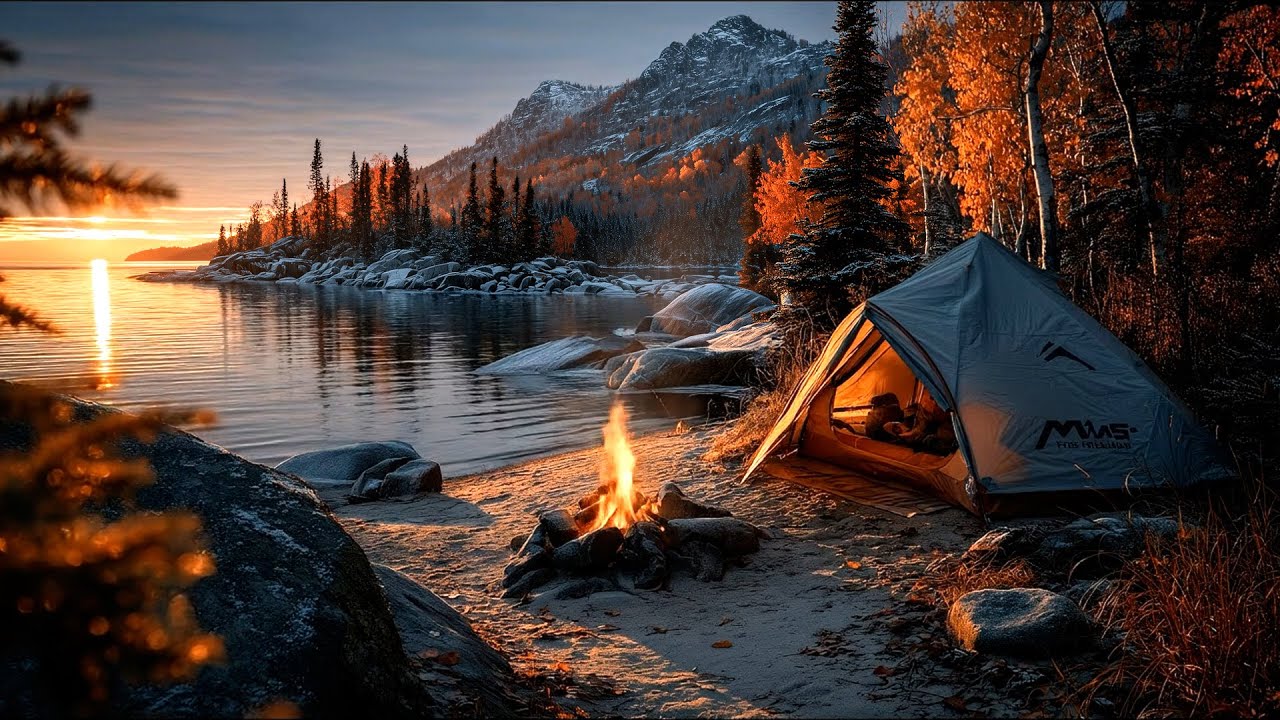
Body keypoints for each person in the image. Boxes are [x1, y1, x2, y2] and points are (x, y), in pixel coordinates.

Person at [884, 391, 957, 454]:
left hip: (937, 418)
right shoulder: (906, 439)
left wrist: (914, 432)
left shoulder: (910, 412)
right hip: (936, 432)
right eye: (895, 430)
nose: (897, 428)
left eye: (895, 426)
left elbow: (924, 412)